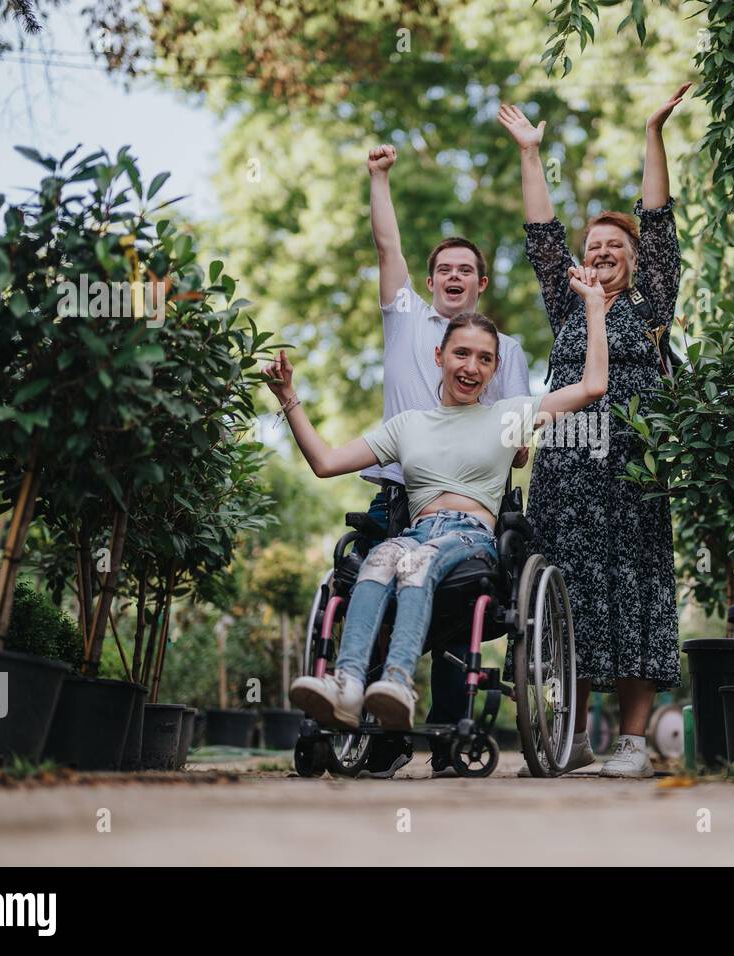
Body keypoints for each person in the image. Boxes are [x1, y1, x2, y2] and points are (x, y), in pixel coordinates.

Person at [268, 265, 607, 756]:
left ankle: (399, 682)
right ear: (439, 356)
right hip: (418, 528)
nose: (471, 366)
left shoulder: (509, 417)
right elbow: (325, 463)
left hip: (471, 537)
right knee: (380, 559)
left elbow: (592, 387)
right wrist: (288, 398)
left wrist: (594, 307)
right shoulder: (408, 425)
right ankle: (346, 687)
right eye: (461, 353)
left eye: (484, 359)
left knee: (412, 561)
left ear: (494, 370)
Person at [497, 84, 689, 778]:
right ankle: (571, 736)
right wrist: (530, 153)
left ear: (635, 262)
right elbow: (541, 233)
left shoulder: (652, 304)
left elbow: (657, 216)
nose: (603, 251)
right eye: (593, 246)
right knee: (570, 597)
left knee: (634, 591)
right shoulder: (568, 303)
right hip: (569, 477)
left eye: (615, 246)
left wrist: (652, 132)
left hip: (634, 473)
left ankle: (634, 745)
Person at [357, 144, 532, 777]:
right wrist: (378, 177)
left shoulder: (502, 350)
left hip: (466, 502)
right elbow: (387, 249)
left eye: (467, 270)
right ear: (431, 281)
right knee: (366, 590)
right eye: (444, 270)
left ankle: (448, 742)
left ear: (481, 283)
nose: (454, 277)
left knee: (455, 613)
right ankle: (379, 734)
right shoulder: (406, 323)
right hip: (397, 494)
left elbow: (517, 437)